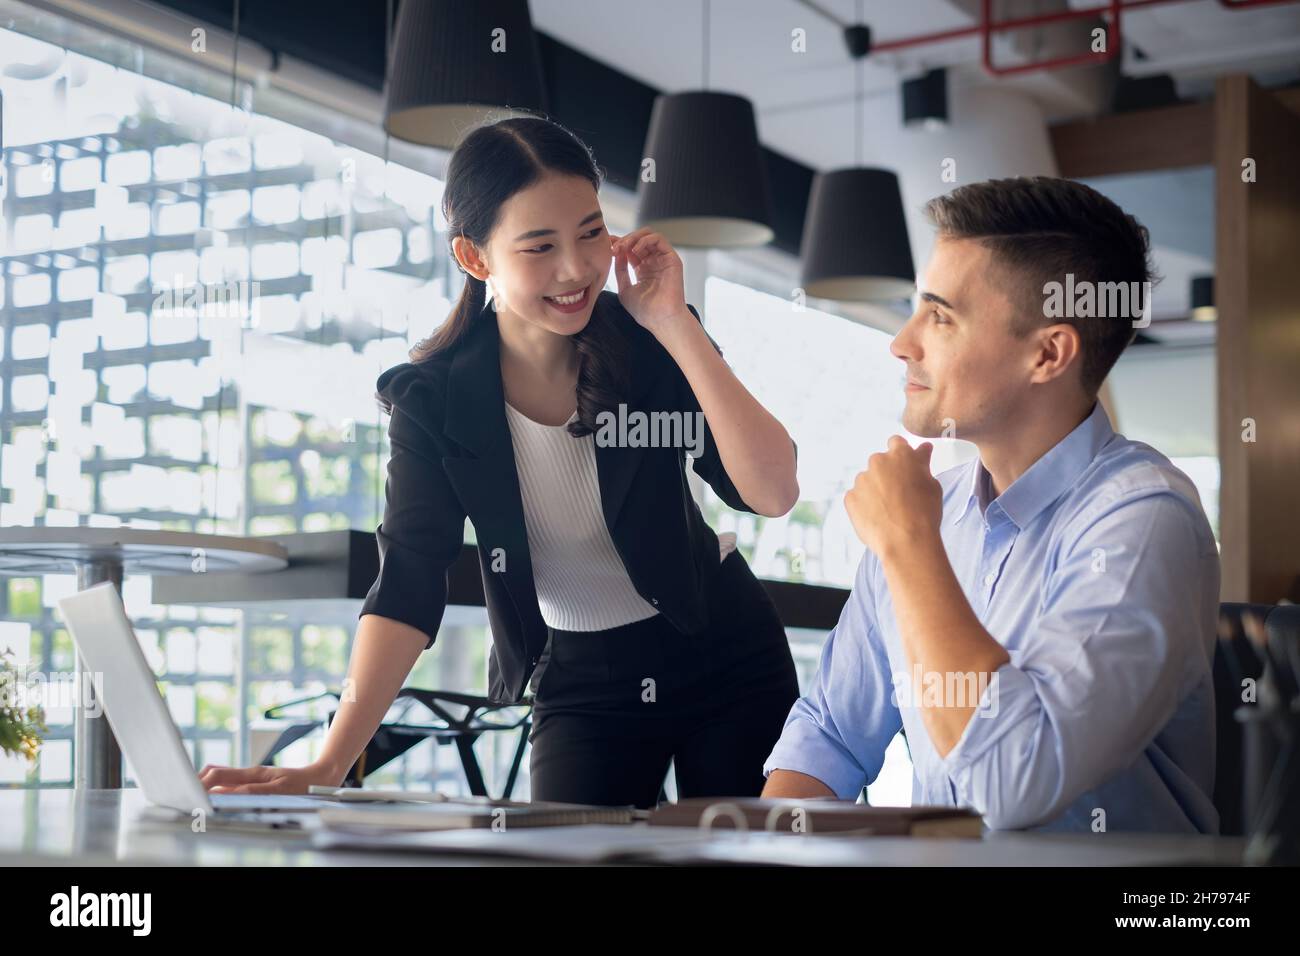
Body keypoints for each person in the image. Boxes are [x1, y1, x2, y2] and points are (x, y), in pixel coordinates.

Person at [200, 115, 801, 808]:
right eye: (539, 246)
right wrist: (331, 760)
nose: (576, 269)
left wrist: (674, 324)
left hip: (724, 652)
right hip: (584, 679)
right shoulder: (433, 400)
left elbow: (772, 490)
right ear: (475, 257)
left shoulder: (647, 345)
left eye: (590, 232)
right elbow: (407, 585)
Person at [762, 176, 1221, 833]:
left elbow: (1013, 783)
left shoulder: (1144, 521)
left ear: (1047, 353)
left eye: (940, 316)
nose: (902, 342)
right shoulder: (929, 509)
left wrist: (909, 545)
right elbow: (830, 738)